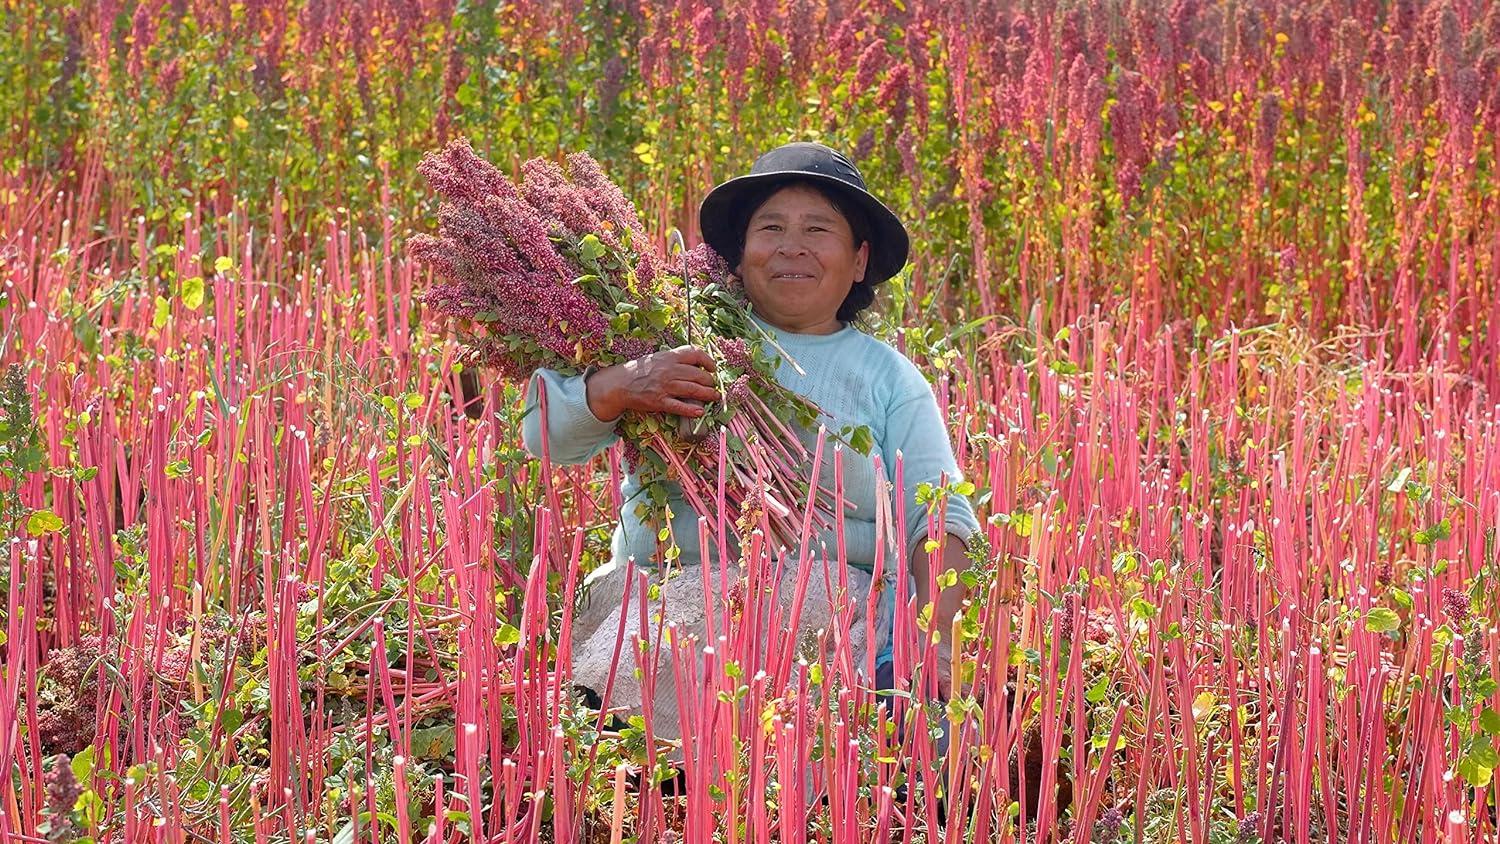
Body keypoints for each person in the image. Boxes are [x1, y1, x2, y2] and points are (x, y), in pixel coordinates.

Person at [520, 141, 981, 743]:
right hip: (670, 614)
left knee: (939, 750)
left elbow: (937, 516)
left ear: (860, 260)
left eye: (819, 229)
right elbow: (543, 435)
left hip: (842, 630)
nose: (793, 246)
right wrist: (628, 382)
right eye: (772, 227)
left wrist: (939, 639)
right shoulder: (675, 333)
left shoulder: (891, 378)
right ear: (738, 255)